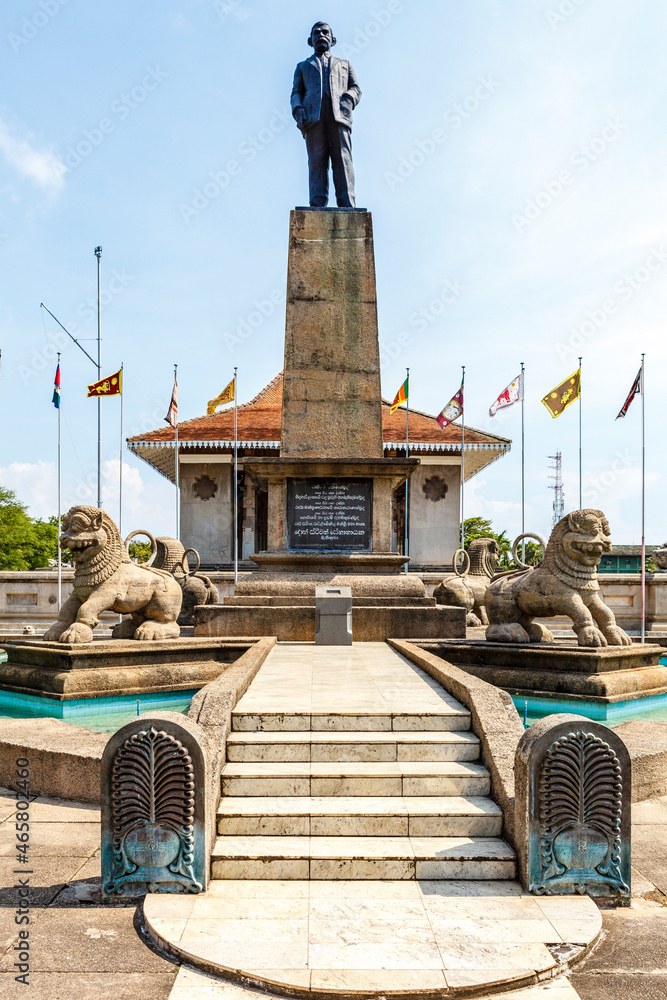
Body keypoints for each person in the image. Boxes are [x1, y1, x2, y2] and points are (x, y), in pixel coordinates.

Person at [290, 21, 361, 208]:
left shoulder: (345, 65)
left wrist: (347, 99)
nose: (321, 35)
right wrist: (298, 109)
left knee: (343, 160)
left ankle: (347, 204)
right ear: (310, 40)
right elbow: (296, 92)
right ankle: (317, 205)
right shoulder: (302, 67)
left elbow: (356, 88)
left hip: (339, 117)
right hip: (314, 118)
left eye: (325, 32)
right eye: (316, 33)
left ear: (333, 39)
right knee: (316, 161)